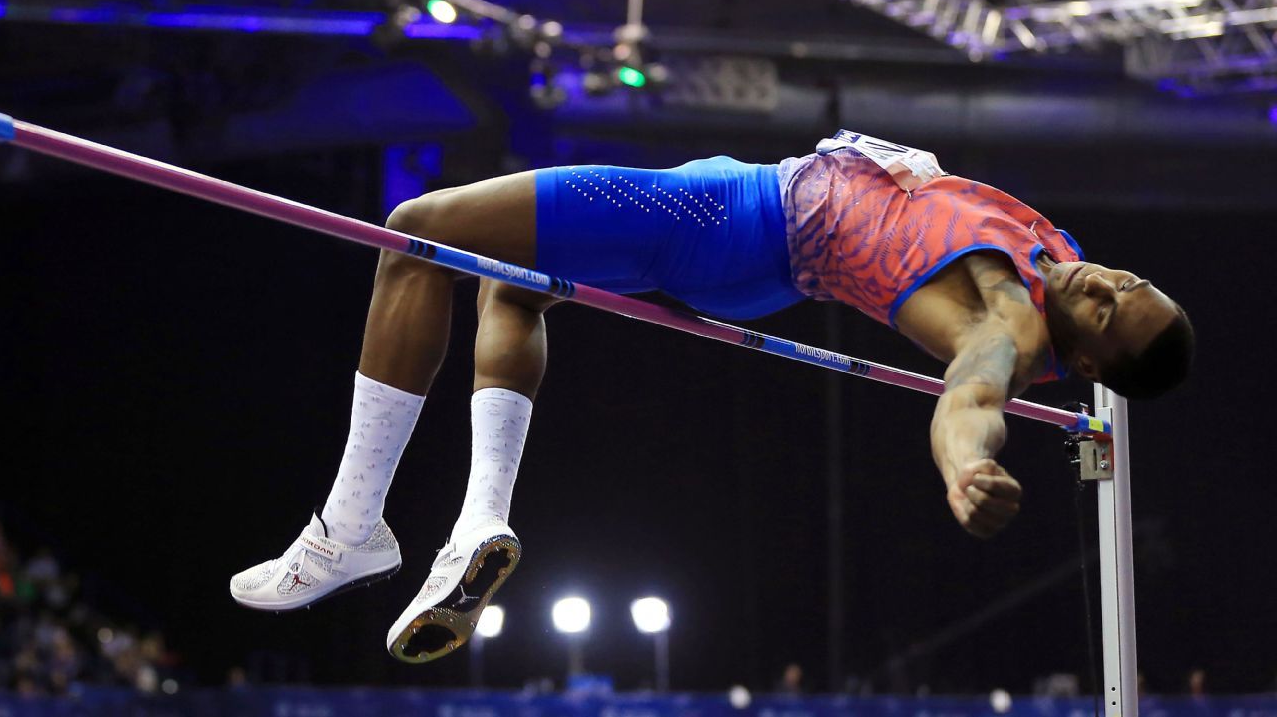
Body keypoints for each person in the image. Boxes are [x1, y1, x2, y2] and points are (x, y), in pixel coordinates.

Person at [228, 131, 1194, 663]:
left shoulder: (1009, 325)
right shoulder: (1063, 270)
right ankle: (472, 523)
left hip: (729, 225)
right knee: (511, 278)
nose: (1099, 283)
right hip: (758, 232)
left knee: (416, 231)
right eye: (1126, 279)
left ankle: (350, 524)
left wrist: (968, 465)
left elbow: (970, 395)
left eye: (1110, 312)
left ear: (1092, 365)